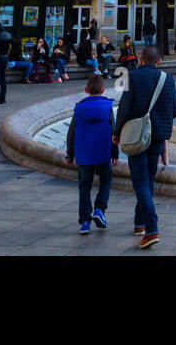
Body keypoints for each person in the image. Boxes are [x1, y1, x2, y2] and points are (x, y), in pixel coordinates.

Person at [114, 46, 176, 250]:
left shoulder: (131, 77)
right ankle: (139, 223)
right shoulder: (168, 79)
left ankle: (151, 229)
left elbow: (123, 108)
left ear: (141, 60)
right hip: (158, 136)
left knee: (140, 181)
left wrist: (116, 133)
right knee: (148, 180)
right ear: (159, 61)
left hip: (136, 137)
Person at [66, 74, 117, 235]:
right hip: (102, 152)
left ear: (86, 90)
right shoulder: (108, 107)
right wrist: (115, 153)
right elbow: (113, 132)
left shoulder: (78, 108)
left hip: (84, 155)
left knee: (84, 187)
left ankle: (85, 222)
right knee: (106, 179)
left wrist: (70, 154)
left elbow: (71, 133)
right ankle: (100, 209)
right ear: (103, 90)